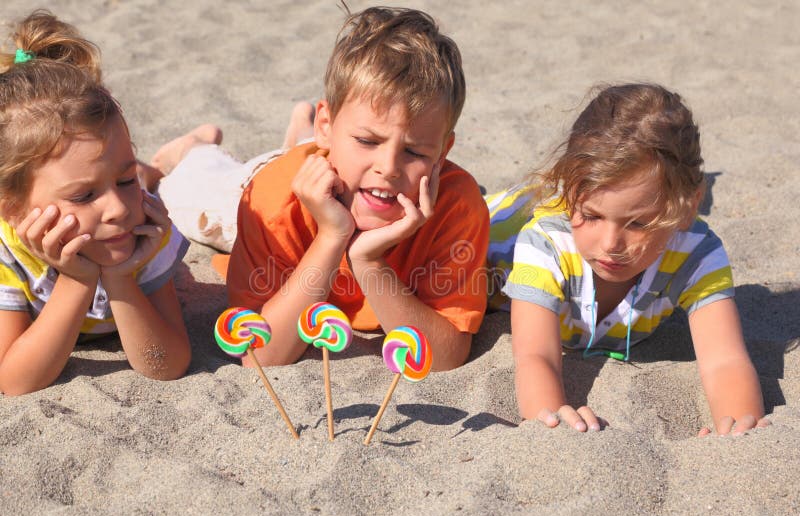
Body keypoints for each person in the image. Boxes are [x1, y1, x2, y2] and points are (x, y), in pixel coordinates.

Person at [146, 7, 489, 370]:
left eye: (415, 151)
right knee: (188, 195)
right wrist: (329, 237)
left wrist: (369, 262)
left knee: (328, 155)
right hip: (268, 179)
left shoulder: (457, 206)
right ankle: (196, 146)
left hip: (331, 159)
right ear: (329, 125)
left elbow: (446, 355)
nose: (388, 168)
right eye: (367, 140)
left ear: (442, 153)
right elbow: (260, 355)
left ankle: (306, 133)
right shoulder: (272, 200)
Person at [487, 83, 768, 436]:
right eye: (590, 216)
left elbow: (724, 360)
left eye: (638, 223)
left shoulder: (697, 253)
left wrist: (737, 422)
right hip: (486, 235)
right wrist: (551, 421)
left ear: (689, 206)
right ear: (570, 193)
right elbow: (535, 357)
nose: (610, 244)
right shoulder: (546, 242)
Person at [0, 11, 191, 396]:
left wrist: (120, 277)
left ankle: (155, 166)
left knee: (145, 180)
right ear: (13, 209)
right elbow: (15, 380)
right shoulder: (8, 254)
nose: (119, 208)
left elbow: (167, 364)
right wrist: (77, 280)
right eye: (84, 195)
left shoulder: (146, 229)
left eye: (124, 181)